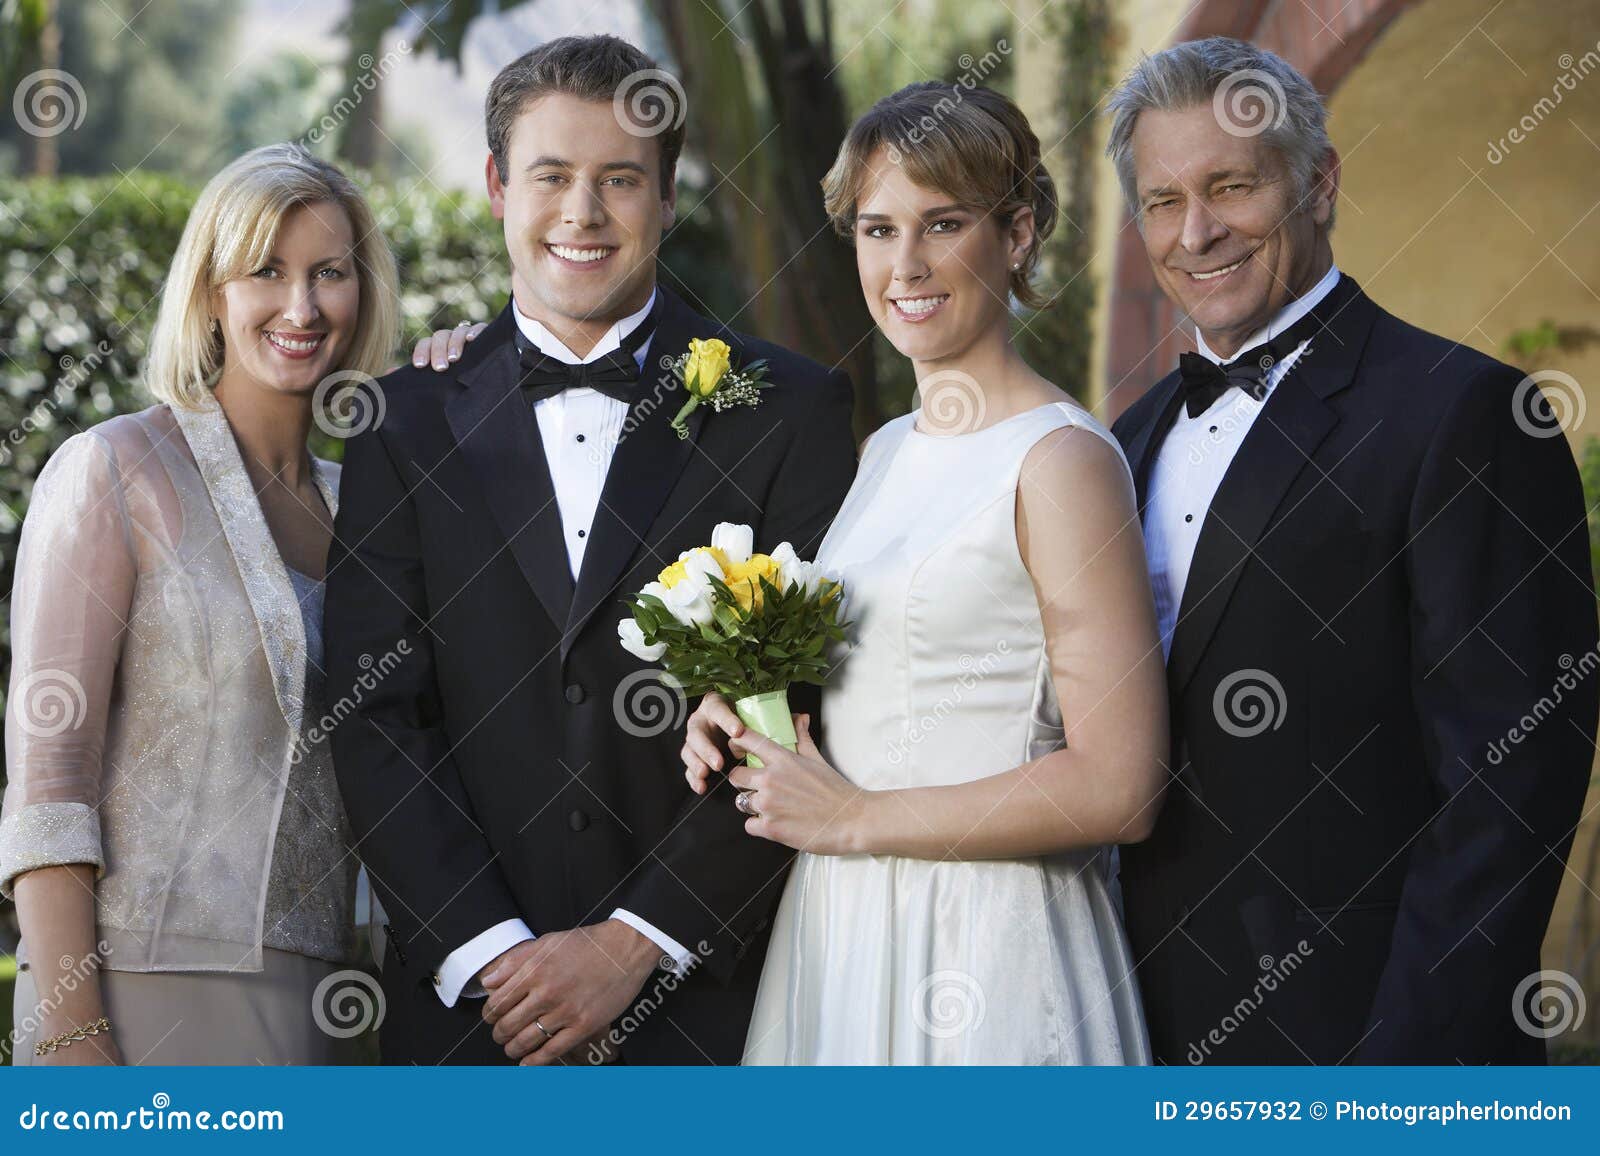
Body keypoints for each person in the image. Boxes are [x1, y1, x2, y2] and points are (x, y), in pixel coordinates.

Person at [325, 34, 857, 1066]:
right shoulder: (401, 422)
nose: (583, 212)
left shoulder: (788, 409)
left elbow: (808, 701)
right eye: (552, 176)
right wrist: (490, 955)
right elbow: (374, 716)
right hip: (470, 1017)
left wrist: (636, 942)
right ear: (494, 186)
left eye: (620, 179)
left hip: (709, 1011)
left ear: (666, 196)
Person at [1104, 37, 1597, 1063]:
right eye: (1160, 200)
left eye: (1231, 185)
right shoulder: (1120, 442)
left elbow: (1510, 788)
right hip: (1132, 1028)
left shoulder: (1462, 414)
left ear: (1317, 183)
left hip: (1366, 1042)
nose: (1194, 232)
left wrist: (1393, 1078)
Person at [680, 81, 1168, 1064]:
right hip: (843, 928)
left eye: (942, 224)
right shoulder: (885, 451)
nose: (904, 264)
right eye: (876, 228)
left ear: (1018, 232)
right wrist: (744, 701)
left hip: (989, 939)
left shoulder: (1061, 460)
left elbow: (1122, 784)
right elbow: (893, 677)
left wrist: (857, 817)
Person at [1, 143, 399, 1065]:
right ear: (213, 293)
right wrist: (70, 1034)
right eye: (266, 271)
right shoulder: (114, 470)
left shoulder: (376, 510)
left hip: (340, 1008)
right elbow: (49, 780)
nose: (300, 308)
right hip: (141, 999)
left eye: (328, 273)